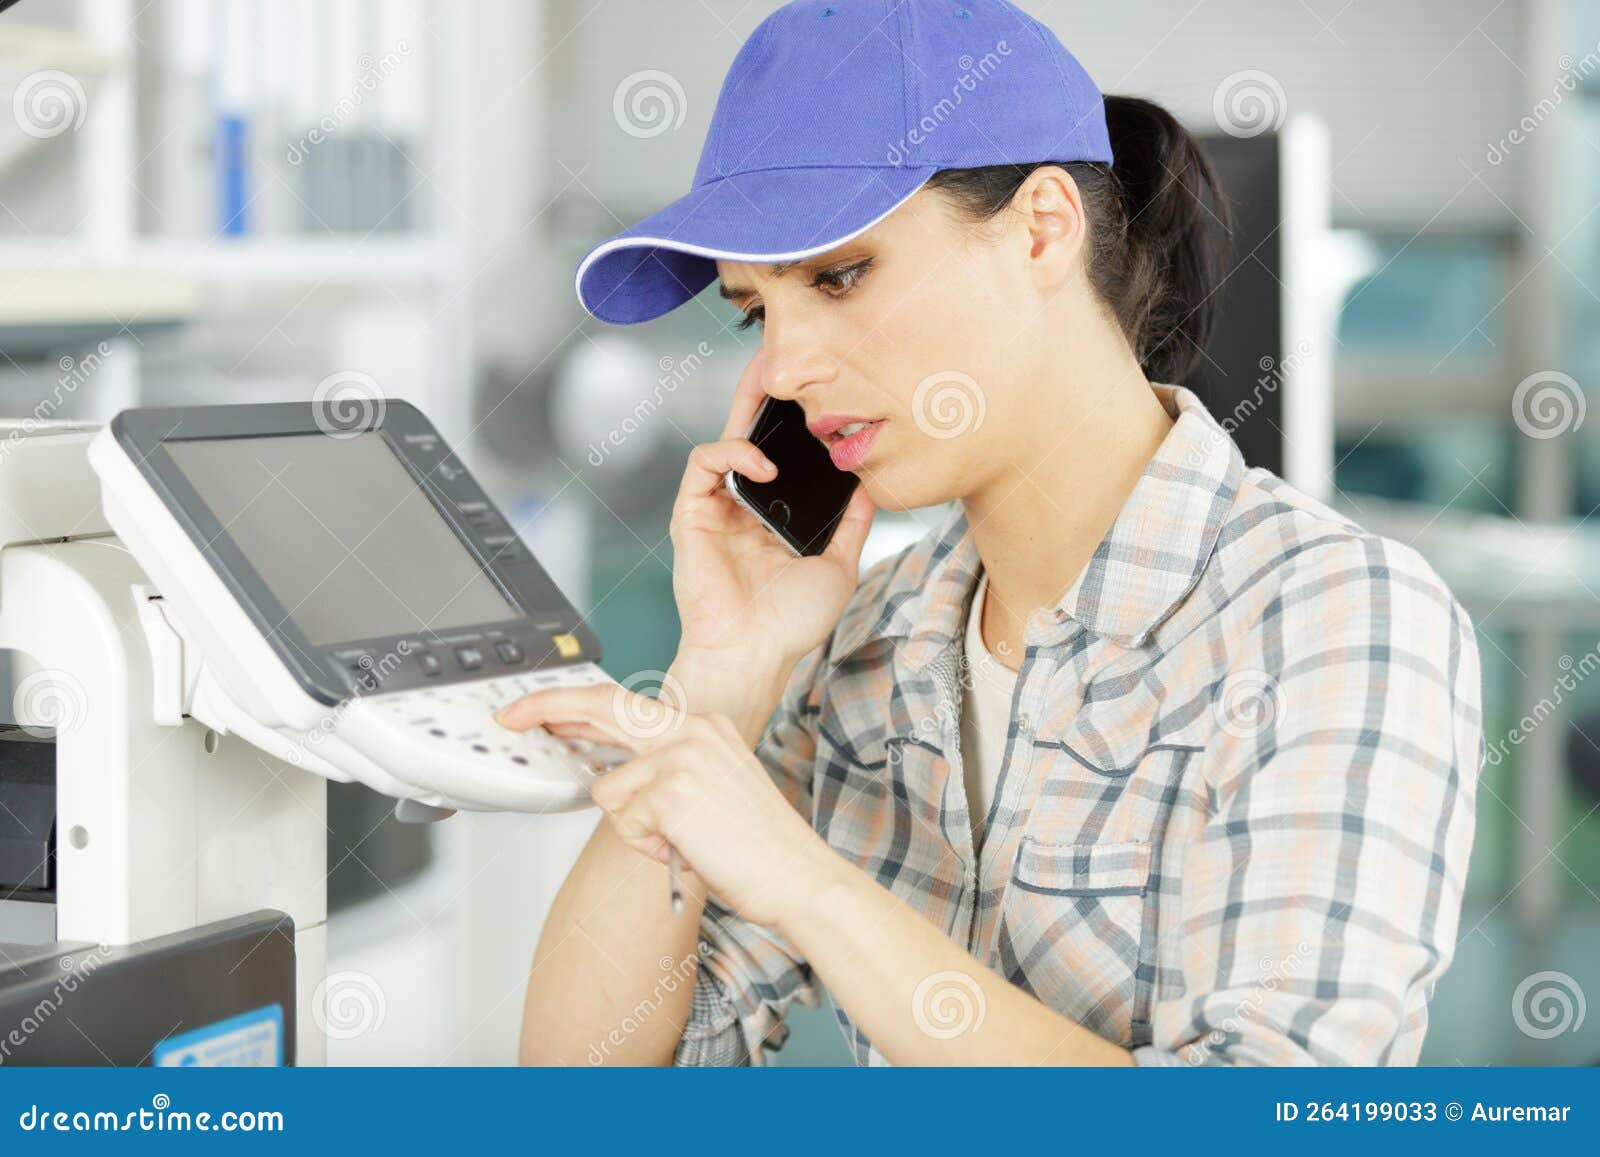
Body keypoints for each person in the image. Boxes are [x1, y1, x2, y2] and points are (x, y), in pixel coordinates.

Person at [507, 0, 1483, 1066]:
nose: (781, 370)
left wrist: (806, 879)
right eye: (756, 311)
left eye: (838, 276)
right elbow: (586, 1079)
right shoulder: (868, 646)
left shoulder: (1332, 621)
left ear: (1041, 227)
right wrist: (722, 677)